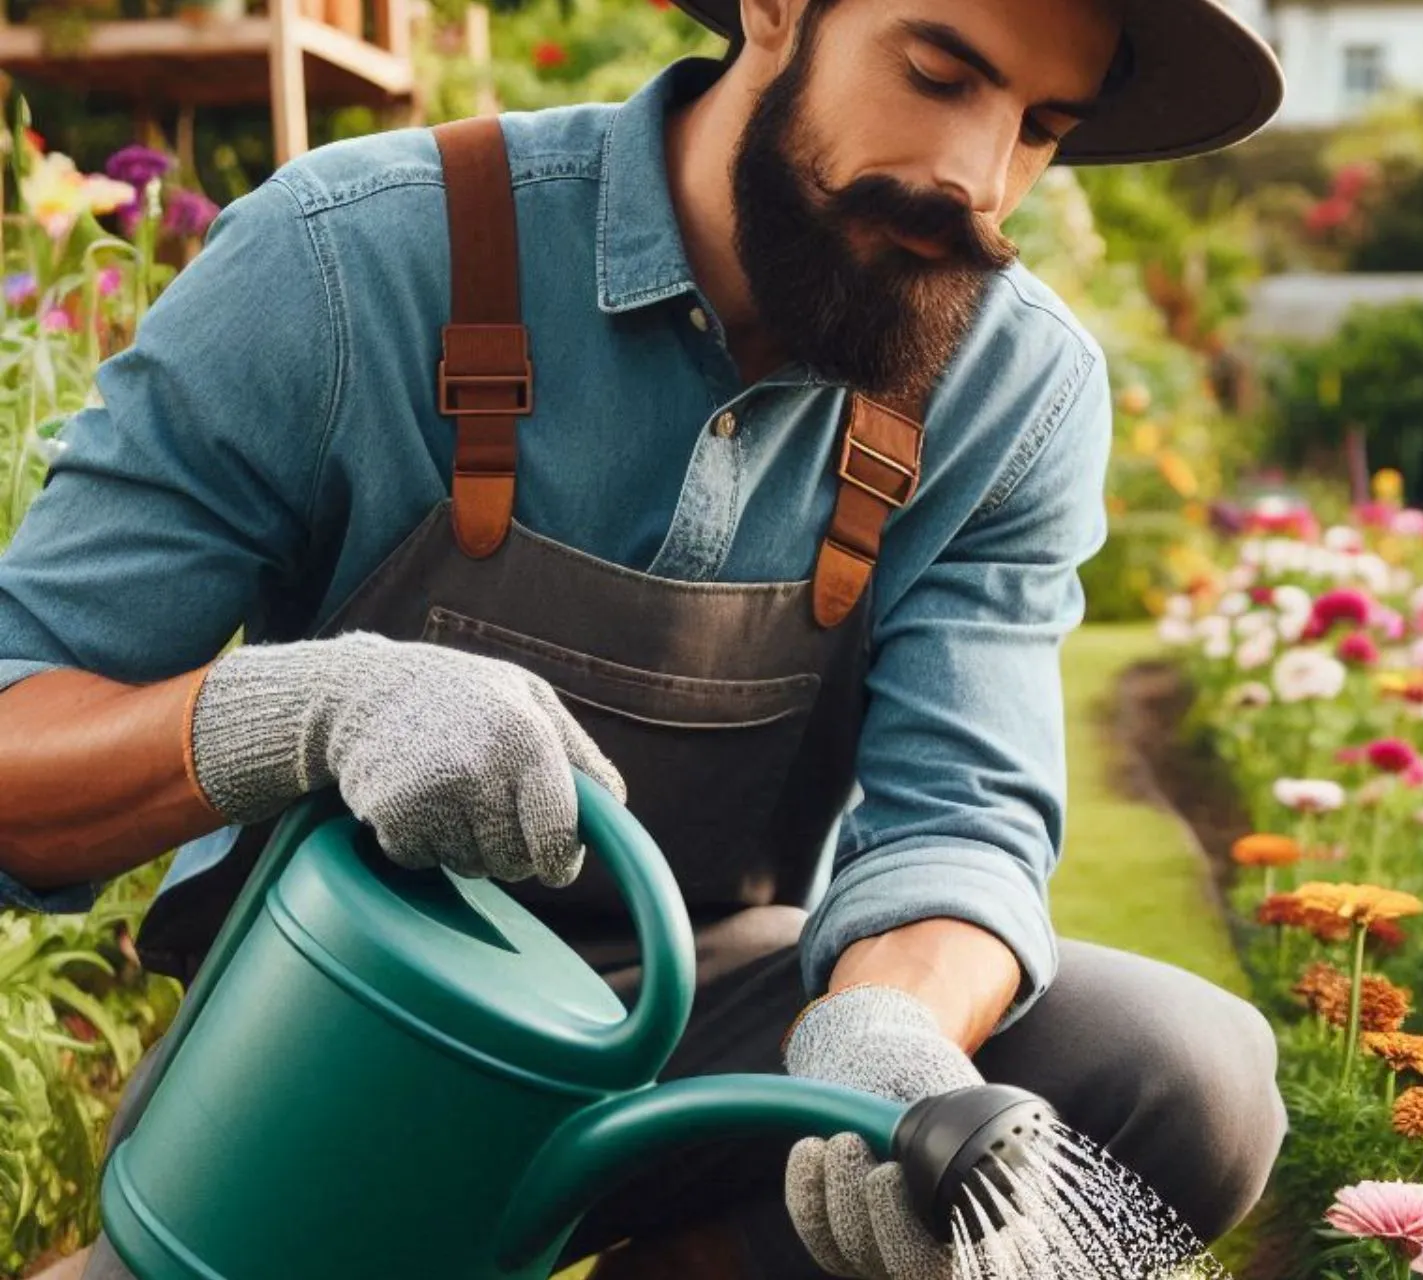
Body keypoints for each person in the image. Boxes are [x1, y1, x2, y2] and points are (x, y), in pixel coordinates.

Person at [0, 0, 1288, 1275]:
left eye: (1041, 129)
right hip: (349, 1029)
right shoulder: (351, 258)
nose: (979, 181)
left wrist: (894, 1034)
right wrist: (300, 712)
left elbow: (965, 823)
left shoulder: (1013, 390)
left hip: (722, 1029)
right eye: (940, 72)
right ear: (778, 9)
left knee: (1179, 1082)